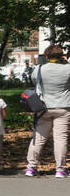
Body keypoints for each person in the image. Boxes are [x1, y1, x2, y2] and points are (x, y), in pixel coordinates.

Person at [24, 44, 70, 178]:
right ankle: (60, 169)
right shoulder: (68, 69)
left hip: (43, 108)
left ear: (47, 56)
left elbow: (34, 82)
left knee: (38, 138)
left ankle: (31, 168)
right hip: (63, 107)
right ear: (61, 55)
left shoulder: (39, 69)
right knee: (61, 139)